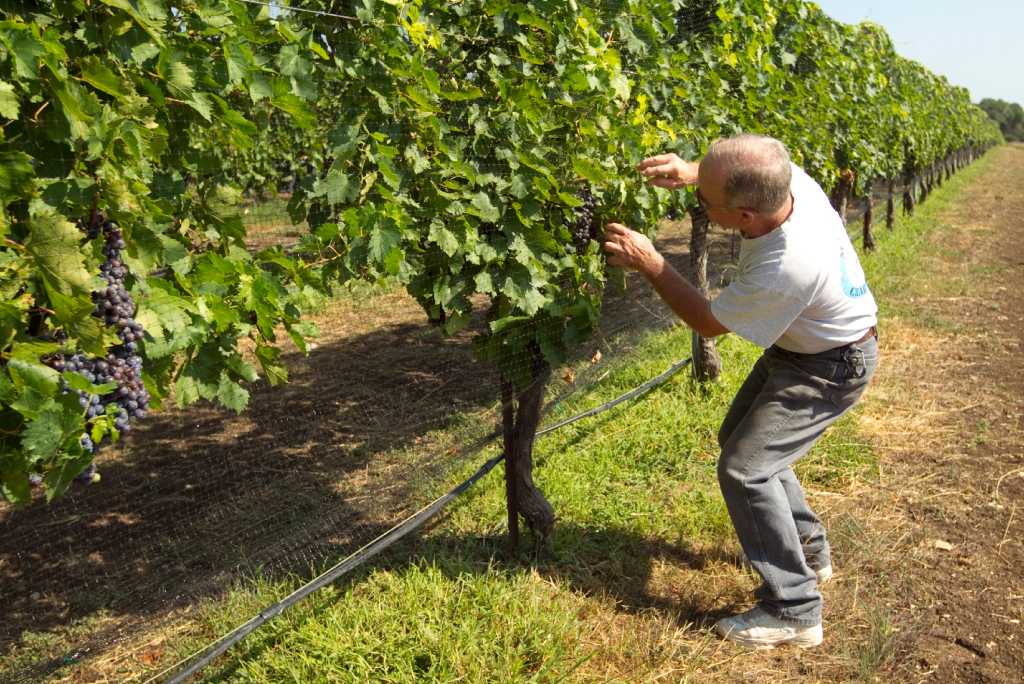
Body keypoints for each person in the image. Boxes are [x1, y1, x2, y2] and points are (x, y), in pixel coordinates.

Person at [602, 134, 879, 649]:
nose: (697, 203)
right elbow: (751, 168)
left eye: (704, 200)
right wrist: (692, 170)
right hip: (806, 350)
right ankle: (808, 548)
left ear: (745, 215)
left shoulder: (787, 264)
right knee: (742, 441)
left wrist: (651, 262)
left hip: (832, 366)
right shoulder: (789, 184)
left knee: (745, 469)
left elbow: (707, 322)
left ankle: (794, 609)